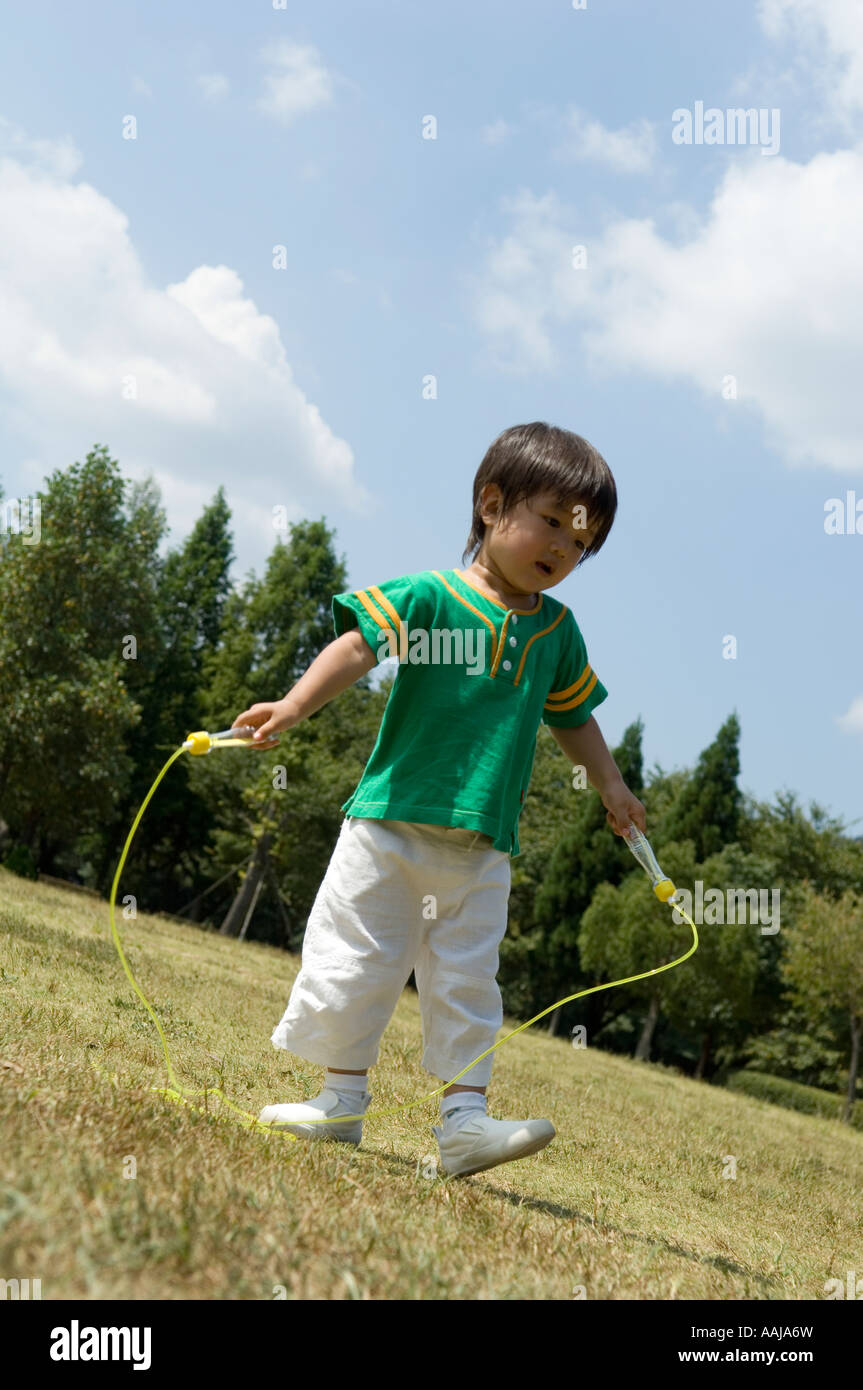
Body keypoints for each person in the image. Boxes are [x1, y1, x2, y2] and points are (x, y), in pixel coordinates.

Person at [232, 421, 646, 1179]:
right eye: (552, 520)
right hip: (387, 827)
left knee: (466, 982)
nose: (562, 547)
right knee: (353, 962)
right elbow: (358, 644)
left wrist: (611, 785)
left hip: (482, 846)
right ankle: (338, 1103)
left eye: (581, 542)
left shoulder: (557, 632)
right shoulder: (429, 597)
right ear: (491, 505)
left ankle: (464, 1124)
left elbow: (574, 715)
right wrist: (293, 707)